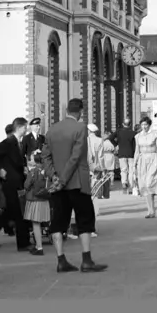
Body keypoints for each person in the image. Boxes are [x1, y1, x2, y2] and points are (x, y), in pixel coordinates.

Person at [43, 98, 107, 273]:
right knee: (84, 220)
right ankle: (86, 260)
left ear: (66, 111)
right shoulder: (80, 128)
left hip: (58, 185)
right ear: (80, 112)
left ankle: (61, 260)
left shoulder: (52, 129)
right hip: (77, 182)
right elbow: (76, 156)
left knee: (58, 221)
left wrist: (54, 176)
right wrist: (63, 178)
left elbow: (45, 156)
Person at [0, 119, 32, 252]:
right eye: (25, 128)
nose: (26, 130)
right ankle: (23, 243)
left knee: (14, 212)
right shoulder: (9, 142)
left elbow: (15, 160)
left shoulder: (18, 142)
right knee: (17, 212)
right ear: (19, 127)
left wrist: (23, 167)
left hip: (16, 180)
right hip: (9, 181)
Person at [21, 150, 52, 256]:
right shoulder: (48, 171)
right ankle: (39, 246)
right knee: (42, 223)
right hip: (45, 199)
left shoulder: (33, 171)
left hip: (34, 200)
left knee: (36, 224)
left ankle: (39, 247)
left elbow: (26, 185)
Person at [134, 116, 157, 218]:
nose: (144, 127)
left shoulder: (155, 135)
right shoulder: (138, 136)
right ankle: (150, 210)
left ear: (149, 125)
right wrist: (134, 164)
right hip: (142, 160)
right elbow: (137, 151)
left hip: (153, 159)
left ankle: (152, 209)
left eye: (146, 124)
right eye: (142, 125)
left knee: (149, 182)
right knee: (144, 185)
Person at [115, 120, 137, 195]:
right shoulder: (134, 133)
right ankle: (130, 186)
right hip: (131, 154)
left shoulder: (118, 132)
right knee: (131, 171)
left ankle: (124, 182)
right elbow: (135, 144)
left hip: (121, 153)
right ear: (130, 124)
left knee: (123, 170)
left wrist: (116, 143)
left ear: (122, 124)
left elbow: (110, 138)